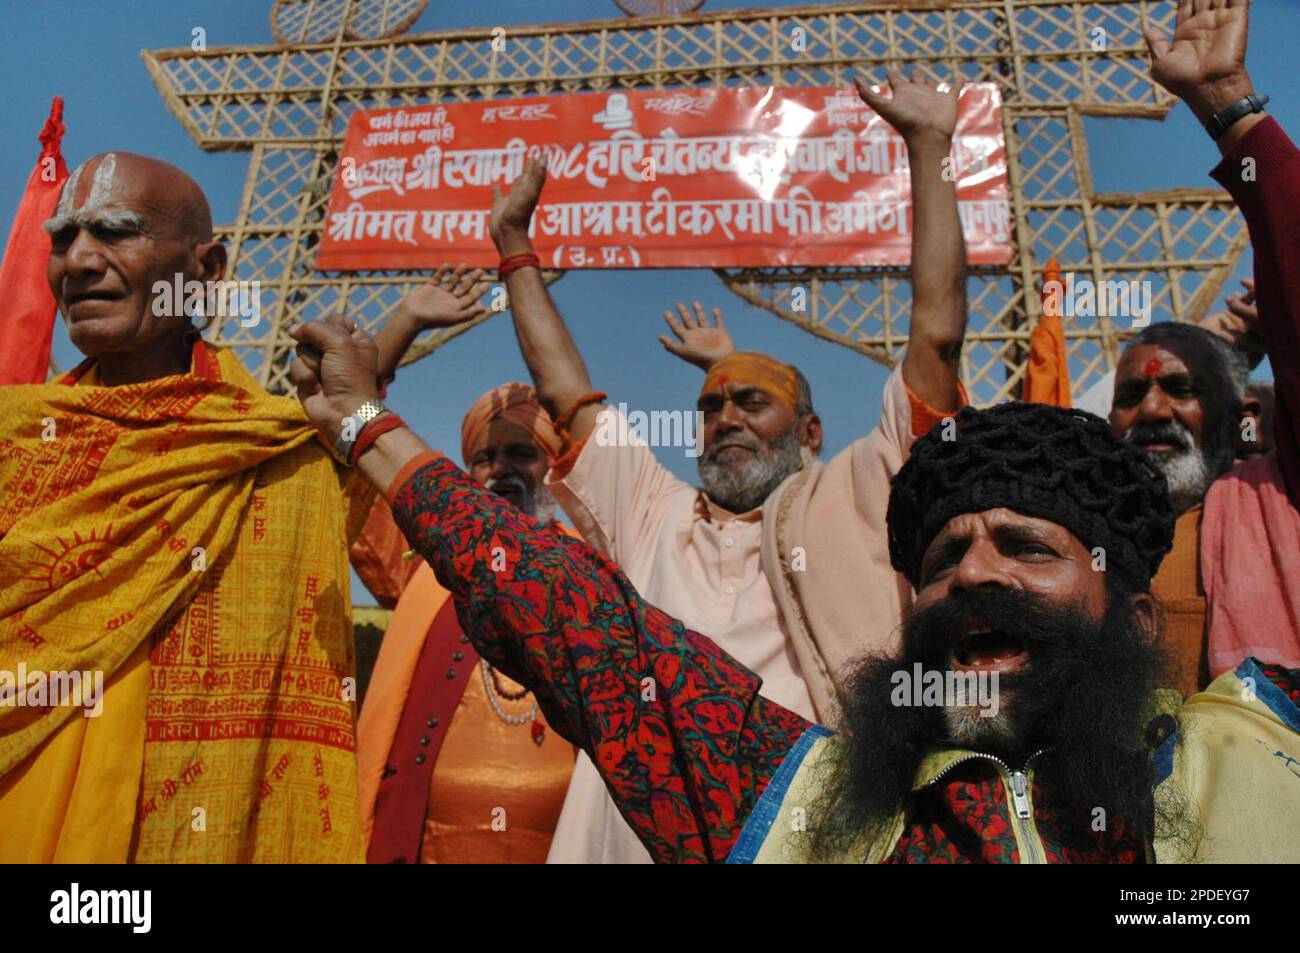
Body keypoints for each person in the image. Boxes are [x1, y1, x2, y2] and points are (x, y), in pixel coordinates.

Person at [283, 317, 1300, 864]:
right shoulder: (829, 810)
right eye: (944, 557)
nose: (975, 573)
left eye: (1024, 546)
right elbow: (587, 632)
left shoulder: (1260, 763)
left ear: (1130, 614)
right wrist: (367, 425)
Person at [479, 69, 973, 863]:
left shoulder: (859, 488)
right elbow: (566, 392)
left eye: (752, 401)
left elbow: (937, 335)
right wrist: (514, 250)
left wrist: (930, 149)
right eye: (710, 407)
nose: (725, 419)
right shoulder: (654, 514)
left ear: (809, 427)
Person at [0, 152, 475, 862]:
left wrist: (399, 326)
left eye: (115, 230)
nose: (79, 260)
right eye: (63, 238)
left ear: (208, 269)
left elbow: (344, 435)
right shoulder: (15, 436)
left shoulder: (268, 447)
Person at [1079, 0, 1299, 696]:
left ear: (1238, 415)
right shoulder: (1066, 544)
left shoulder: (1283, 496)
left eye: (1181, 389)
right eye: (1130, 394)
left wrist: (1227, 104)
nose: (1153, 408)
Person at [352, 372, 579, 864]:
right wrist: (366, 384)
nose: (501, 469)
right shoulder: (428, 563)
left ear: (552, 462)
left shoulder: (592, 570)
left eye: (521, 454)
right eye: (484, 457)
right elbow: (358, 470)